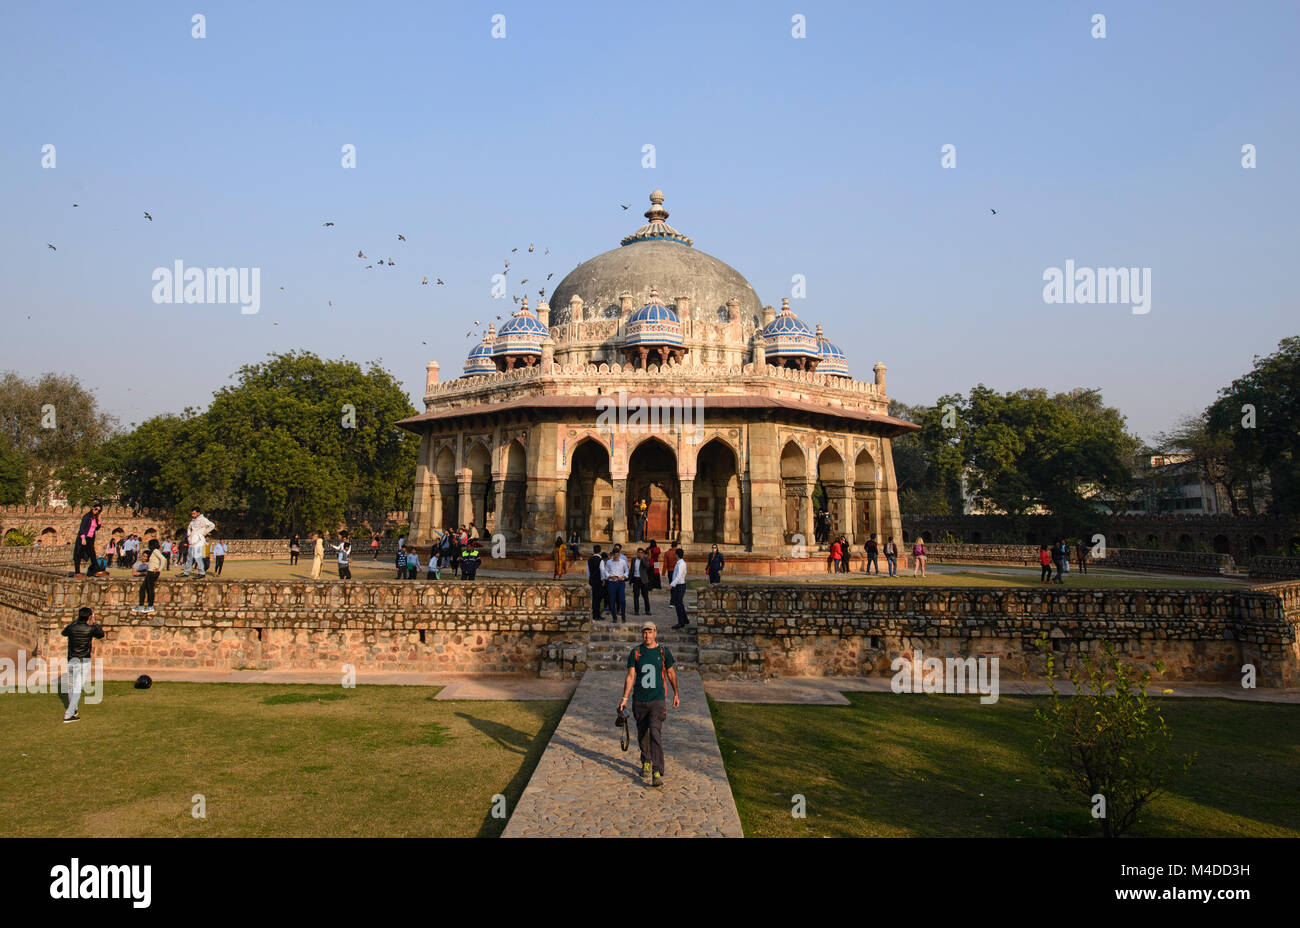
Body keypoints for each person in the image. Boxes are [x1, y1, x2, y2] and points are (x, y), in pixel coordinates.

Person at [618, 621, 680, 788]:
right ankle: (646, 760)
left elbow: (671, 673)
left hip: (657, 699)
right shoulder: (636, 652)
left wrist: (676, 694)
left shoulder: (663, 652)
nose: (647, 635)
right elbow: (630, 676)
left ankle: (657, 771)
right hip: (639, 699)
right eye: (645, 632)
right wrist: (624, 698)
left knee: (655, 732)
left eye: (650, 632)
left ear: (655, 633)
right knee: (643, 733)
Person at [61, 606, 104, 723]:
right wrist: (94, 622)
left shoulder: (72, 627)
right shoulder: (90, 629)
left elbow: (63, 632)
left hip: (71, 659)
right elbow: (101, 634)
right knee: (77, 688)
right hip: (83, 661)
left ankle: (73, 709)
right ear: (89, 617)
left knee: (71, 686)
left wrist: (75, 622)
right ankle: (69, 714)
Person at [180, 508, 216, 578]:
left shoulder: (203, 519)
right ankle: (186, 572)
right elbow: (189, 528)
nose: (192, 515)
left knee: (197, 557)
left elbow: (212, 525)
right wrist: (189, 535)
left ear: (198, 513)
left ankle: (202, 572)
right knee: (189, 558)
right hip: (192, 541)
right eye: (192, 513)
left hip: (199, 541)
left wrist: (204, 532)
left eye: (194, 513)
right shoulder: (193, 521)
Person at [132, 539, 165, 613]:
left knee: (150, 589)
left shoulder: (155, 551)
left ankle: (150, 606)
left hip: (152, 572)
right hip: (150, 572)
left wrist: (159, 569)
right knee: (143, 588)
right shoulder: (153, 552)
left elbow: (163, 559)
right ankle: (141, 605)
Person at [73, 501, 104, 578]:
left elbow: (96, 528)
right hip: (84, 538)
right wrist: (83, 538)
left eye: (99, 510)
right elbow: (82, 528)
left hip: (90, 539)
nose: (97, 511)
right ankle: (77, 572)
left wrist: (99, 521)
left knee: (92, 555)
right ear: (93, 508)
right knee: (78, 555)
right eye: (96, 509)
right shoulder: (87, 517)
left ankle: (97, 571)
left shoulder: (95, 518)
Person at [606, 544, 628, 622]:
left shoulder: (623, 562)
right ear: (613, 555)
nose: (616, 556)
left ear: (619, 554)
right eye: (614, 554)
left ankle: (623, 616)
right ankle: (614, 618)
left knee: (622, 599)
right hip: (612, 583)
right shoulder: (609, 562)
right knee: (612, 600)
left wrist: (623, 577)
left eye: (617, 554)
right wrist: (611, 576)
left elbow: (627, 572)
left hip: (620, 582)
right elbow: (606, 572)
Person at [670, 547, 689, 629]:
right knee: (680, 603)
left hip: (680, 586)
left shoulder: (681, 564)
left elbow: (678, 576)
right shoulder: (679, 563)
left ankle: (681, 622)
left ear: (676, 555)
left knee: (678, 604)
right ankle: (685, 619)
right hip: (679, 585)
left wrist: (671, 585)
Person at [587, 545, 605, 621]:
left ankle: (593, 614)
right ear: (600, 551)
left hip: (591, 580)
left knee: (593, 598)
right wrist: (603, 580)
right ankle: (597, 615)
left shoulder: (589, 559)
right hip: (598, 581)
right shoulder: (600, 560)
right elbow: (602, 571)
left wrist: (589, 579)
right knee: (598, 598)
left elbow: (588, 571)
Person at [631, 547, 652, 615]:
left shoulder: (646, 559)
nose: (639, 554)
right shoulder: (633, 559)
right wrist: (630, 579)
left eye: (641, 553)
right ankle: (636, 611)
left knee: (645, 596)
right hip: (636, 579)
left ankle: (647, 610)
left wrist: (642, 558)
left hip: (643, 580)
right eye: (638, 552)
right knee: (636, 596)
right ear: (637, 553)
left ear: (643, 553)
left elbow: (647, 566)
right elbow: (632, 569)